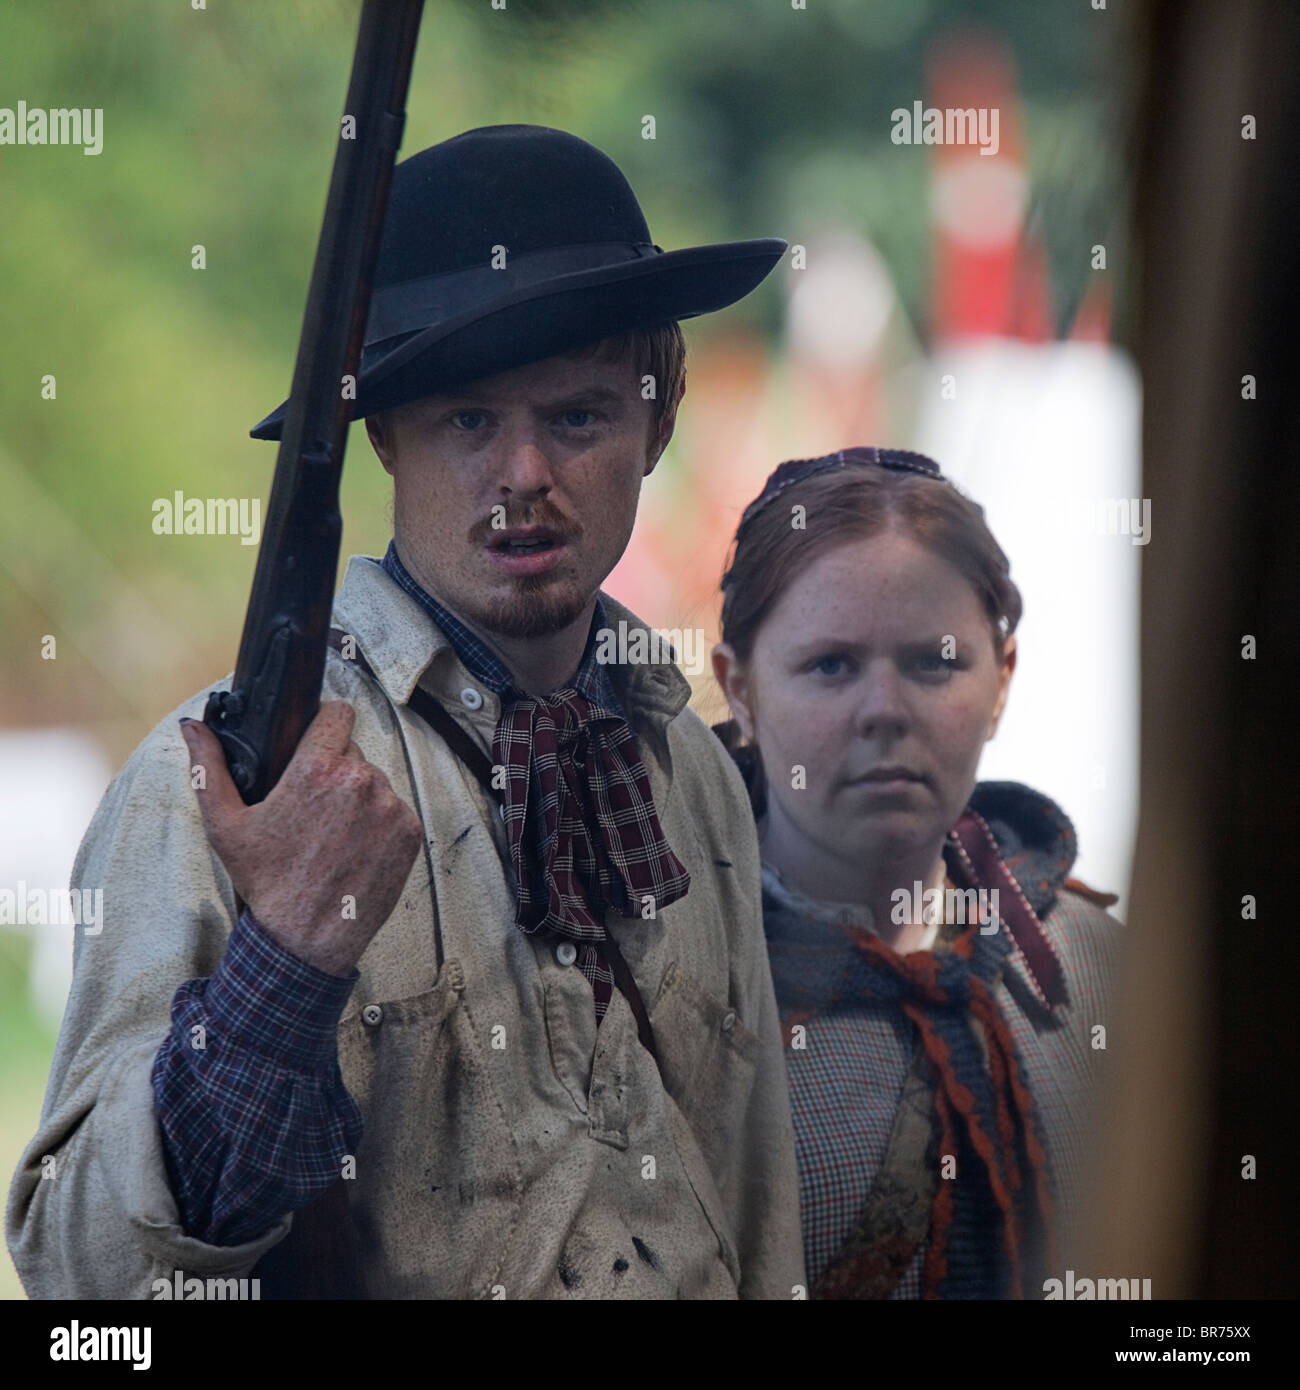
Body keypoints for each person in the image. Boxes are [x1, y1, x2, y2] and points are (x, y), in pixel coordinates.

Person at [7, 125, 805, 1300]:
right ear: (383, 435)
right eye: (466, 420)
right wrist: (279, 971)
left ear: (658, 424)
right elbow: (82, 1275)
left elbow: (756, 1214)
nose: (522, 472)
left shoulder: (691, 778)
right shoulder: (229, 781)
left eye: (578, 417)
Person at [710, 446, 1122, 1299]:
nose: (884, 712)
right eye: (830, 665)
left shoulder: (1096, 971)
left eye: (935, 662)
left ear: (1002, 679)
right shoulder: (674, 997)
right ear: (739, 690)